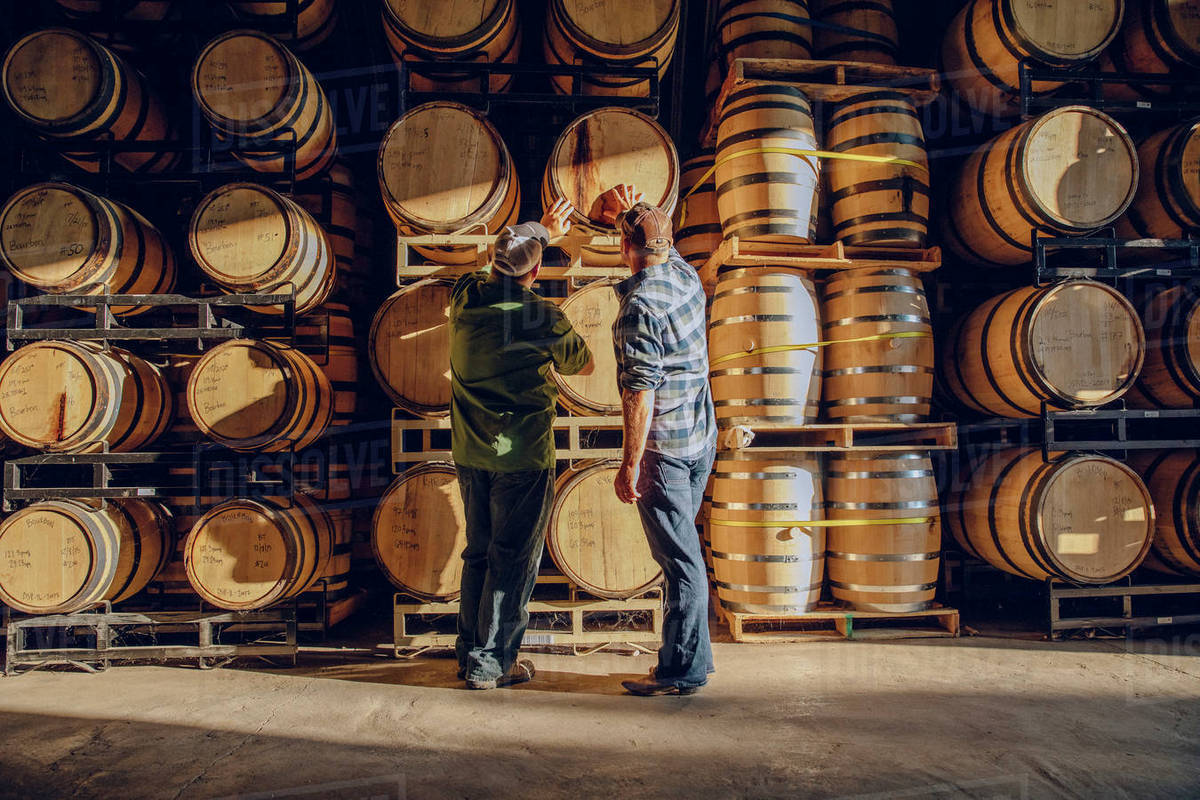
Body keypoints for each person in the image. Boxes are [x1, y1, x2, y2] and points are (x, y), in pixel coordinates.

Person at [449, 198, 594, 690]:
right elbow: (583, 364)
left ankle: (469, 652)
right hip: (522, 457)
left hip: (470, 452)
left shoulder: (466, 297)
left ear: (494, 262)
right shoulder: (542, 317)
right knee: (511, 561)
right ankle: (492, 665)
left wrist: (538, 232)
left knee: (478, 553)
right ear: (535, 273)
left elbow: (488, 266)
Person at [606, 185, 718, 696]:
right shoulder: (685, 275)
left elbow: (639, 396)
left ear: (624, 248)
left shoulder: (639, 309)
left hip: (664, 454)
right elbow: (652, 243)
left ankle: (685, 671)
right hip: (700, 441)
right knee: (681, 558)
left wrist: (630, 465)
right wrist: (637, 208)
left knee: (682, 563)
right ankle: (675, 660)